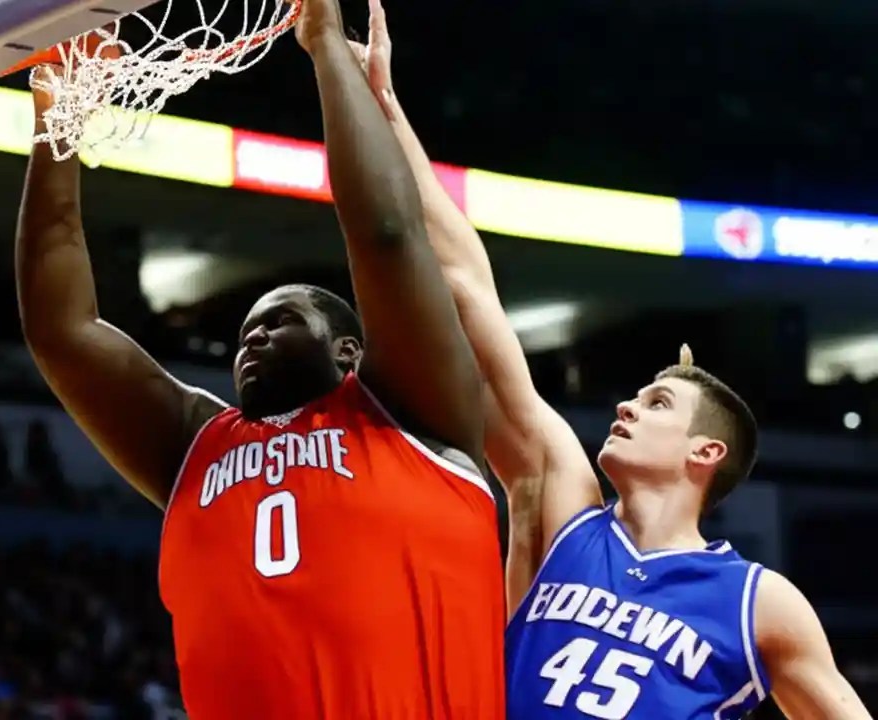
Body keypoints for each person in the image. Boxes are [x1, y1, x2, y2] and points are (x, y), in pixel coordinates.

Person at [347, 1, 872, 717]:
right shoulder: (560, 501)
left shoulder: (759, 604)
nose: (625, 405)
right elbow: (469, 289)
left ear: (706, 450)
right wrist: (382, 107)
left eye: (657, 403)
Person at [15, 0, 505, 716]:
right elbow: (62, 331)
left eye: (280, 319)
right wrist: (58, 113)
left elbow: (390, 234)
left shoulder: (411, 410)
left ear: (349, 349)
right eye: (247, 327)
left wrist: (325, 46)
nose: (252, 335)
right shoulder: (197, 443)